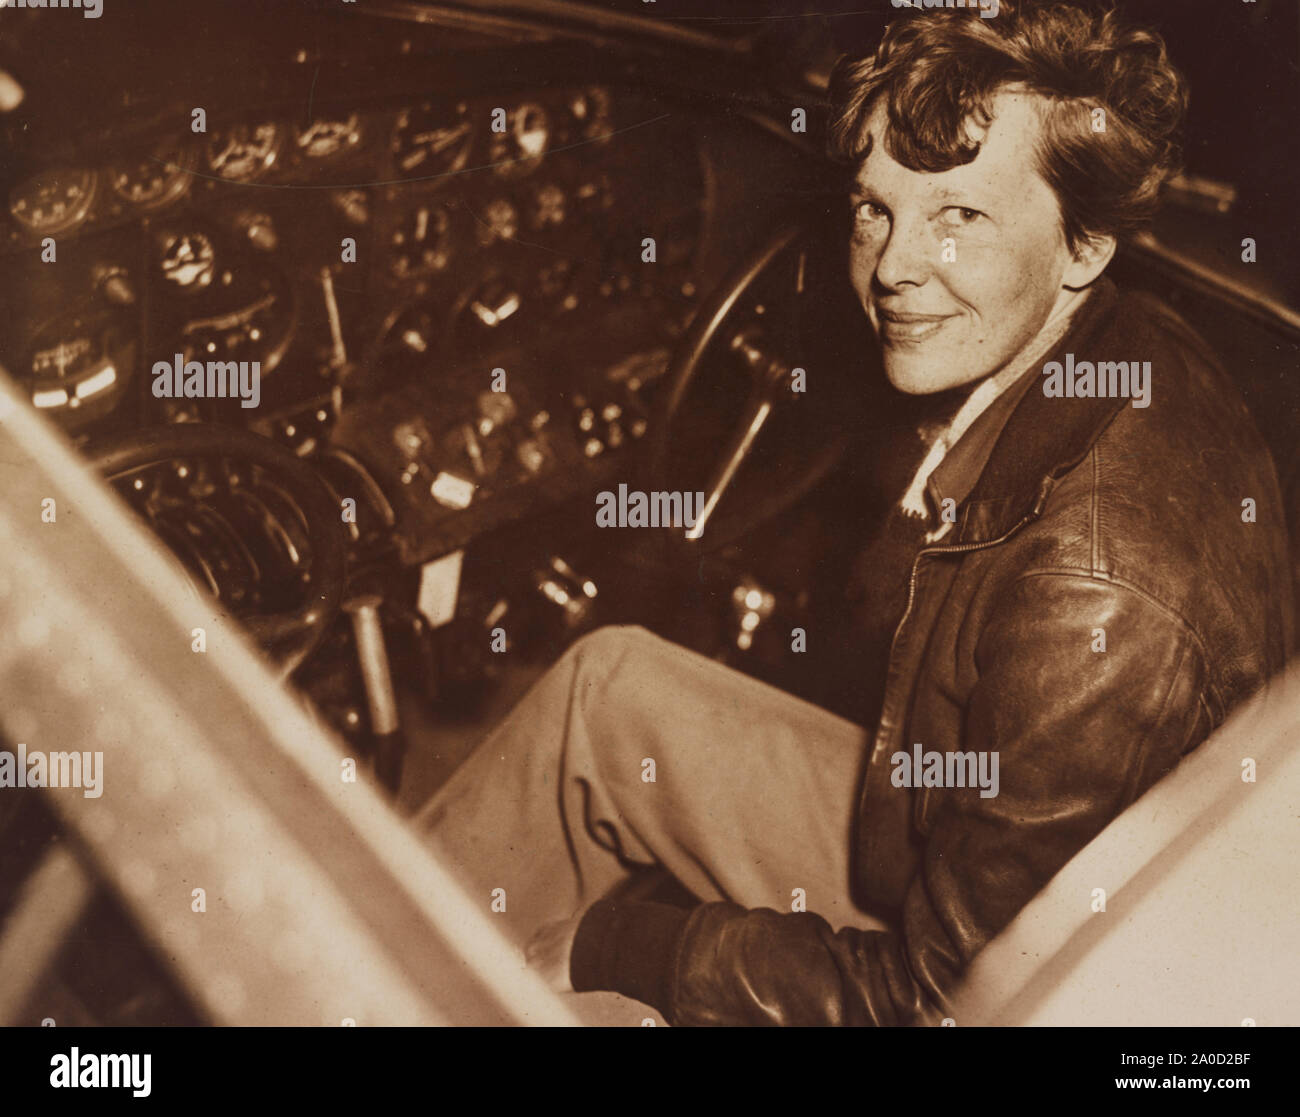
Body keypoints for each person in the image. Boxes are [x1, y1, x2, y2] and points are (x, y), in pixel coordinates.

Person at [415, 1, 1292, 1026]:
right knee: (604, 693)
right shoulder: (1110, 333)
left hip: (1056, 1004)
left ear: (1082, 242)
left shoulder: (1094, 599)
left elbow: (944, 1007)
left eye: (959, 216)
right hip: (965, 858)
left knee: (599, 1009)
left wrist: (627, 947)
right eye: (875, 208)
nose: (891, 267)